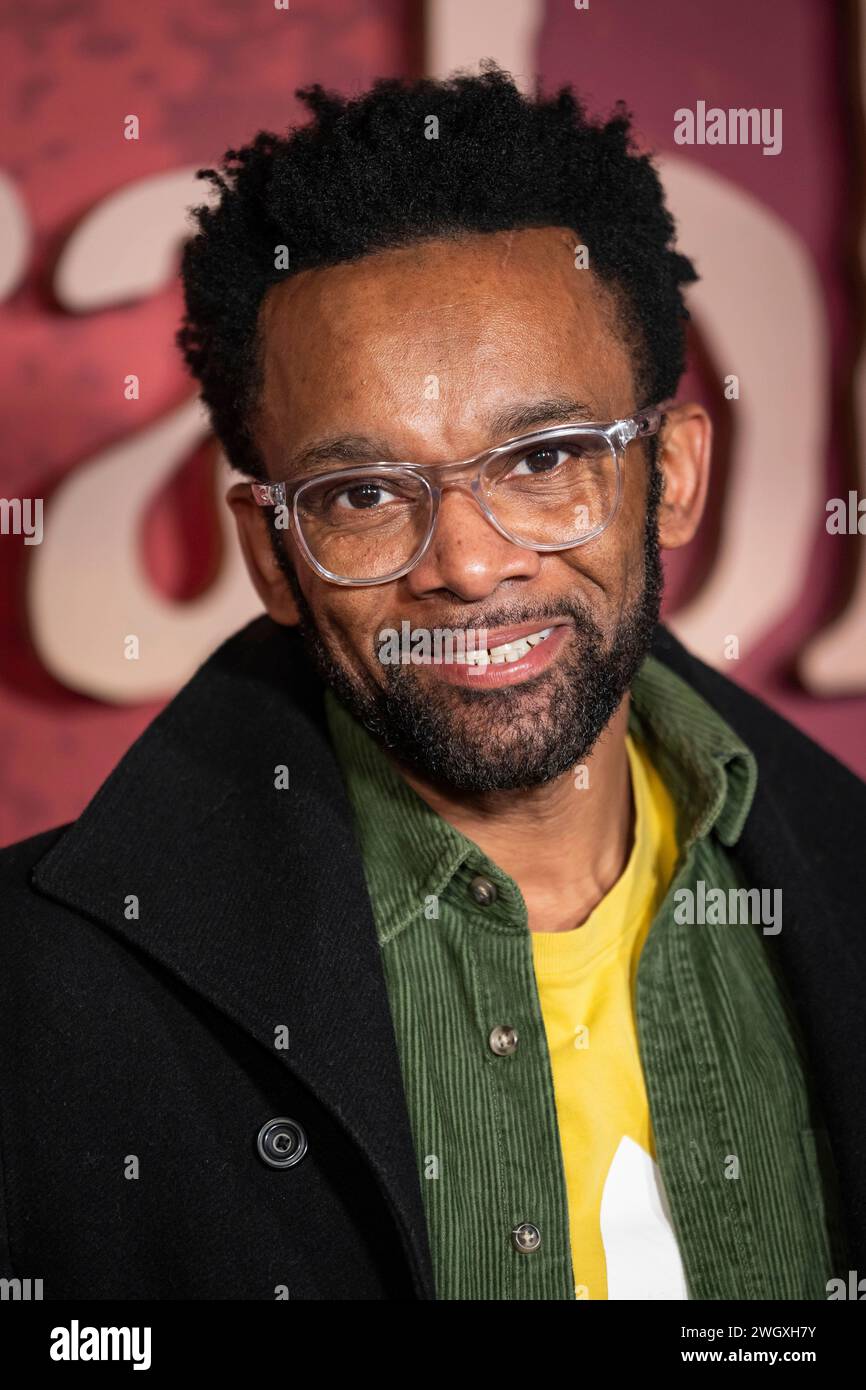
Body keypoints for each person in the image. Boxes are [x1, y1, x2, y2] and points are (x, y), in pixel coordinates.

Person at [1, 63, 863, 1302]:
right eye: (360, 494)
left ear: (668, 474)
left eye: (544, 457)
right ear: (271, 554)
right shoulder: (32, 1000)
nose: (466, 563)